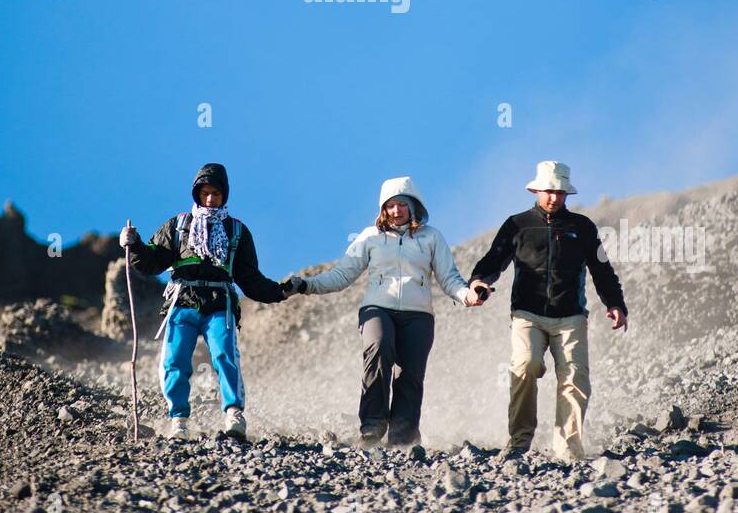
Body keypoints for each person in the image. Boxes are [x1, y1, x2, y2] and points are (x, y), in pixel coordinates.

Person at [282, 176, 484, 448]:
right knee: (378, 348)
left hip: (418, 314)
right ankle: (372, 428)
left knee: (410, 374)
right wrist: (306, 285)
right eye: (390, 205)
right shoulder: (370, 237)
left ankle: (403, 439)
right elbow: (342, 275)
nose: (396, 210)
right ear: (383, 209)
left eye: (402, 204)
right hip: (377, 308)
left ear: (414, 206)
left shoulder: (431, 237)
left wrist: (467, 295)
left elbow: (449, 278)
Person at [468, 160, 628, 463]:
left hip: (571, 317)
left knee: (575, 377)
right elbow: (492, 261)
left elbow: (602, 270)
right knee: (526, 365)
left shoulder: (582, 227)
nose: (554, 197)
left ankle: (568, 448)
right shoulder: (517, 225)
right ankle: (519, 441)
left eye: (560, 192)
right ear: (536, 191)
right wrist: (479, 283)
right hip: (527, 314)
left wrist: (615, 304)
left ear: (567, 193)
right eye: (548, 191)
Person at [120, 162, 286, 441]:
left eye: (216, 194)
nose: (210, 199)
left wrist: (280, 291)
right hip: (182, 301)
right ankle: (179, 420)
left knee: (225, 355)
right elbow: (152, 262)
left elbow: (250, 279)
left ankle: (234, 415)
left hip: (220, 303)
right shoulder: (177, 226)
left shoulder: (237, 231)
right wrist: (134, 244)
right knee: (175, 359)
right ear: (196, 194)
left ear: (225, 195)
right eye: (205, 193)